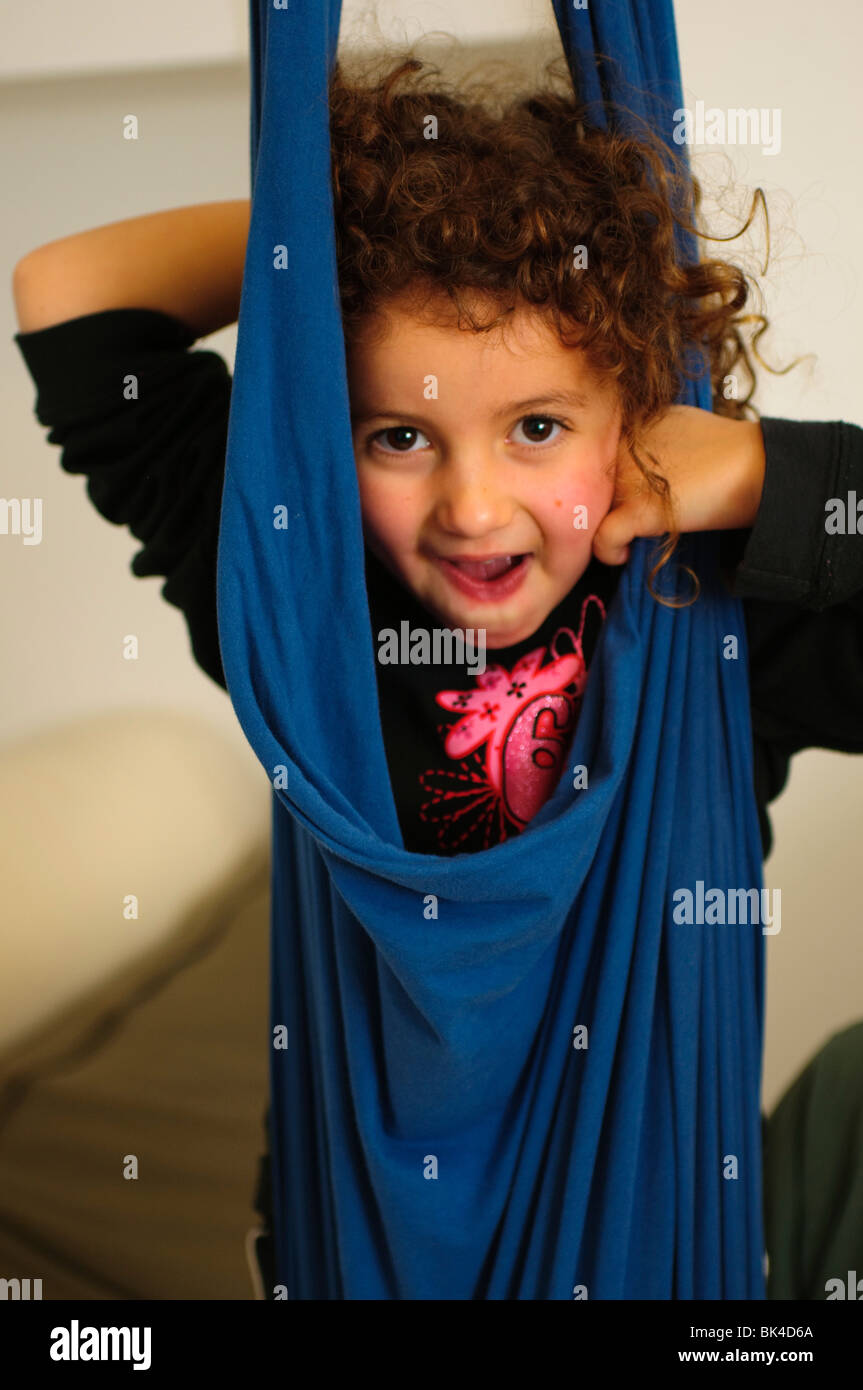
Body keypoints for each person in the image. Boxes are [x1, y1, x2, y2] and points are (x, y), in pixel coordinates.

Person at [11, 54, 863, 1298]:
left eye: (536, 427)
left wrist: (756, 475)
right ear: (322, 437)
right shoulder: (298, 592)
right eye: (398, 436)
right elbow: (70, 295)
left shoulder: (712, 615)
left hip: (652, 1242)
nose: (470, 507)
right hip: (349, 1252)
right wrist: (350, 232)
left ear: (630, 415)